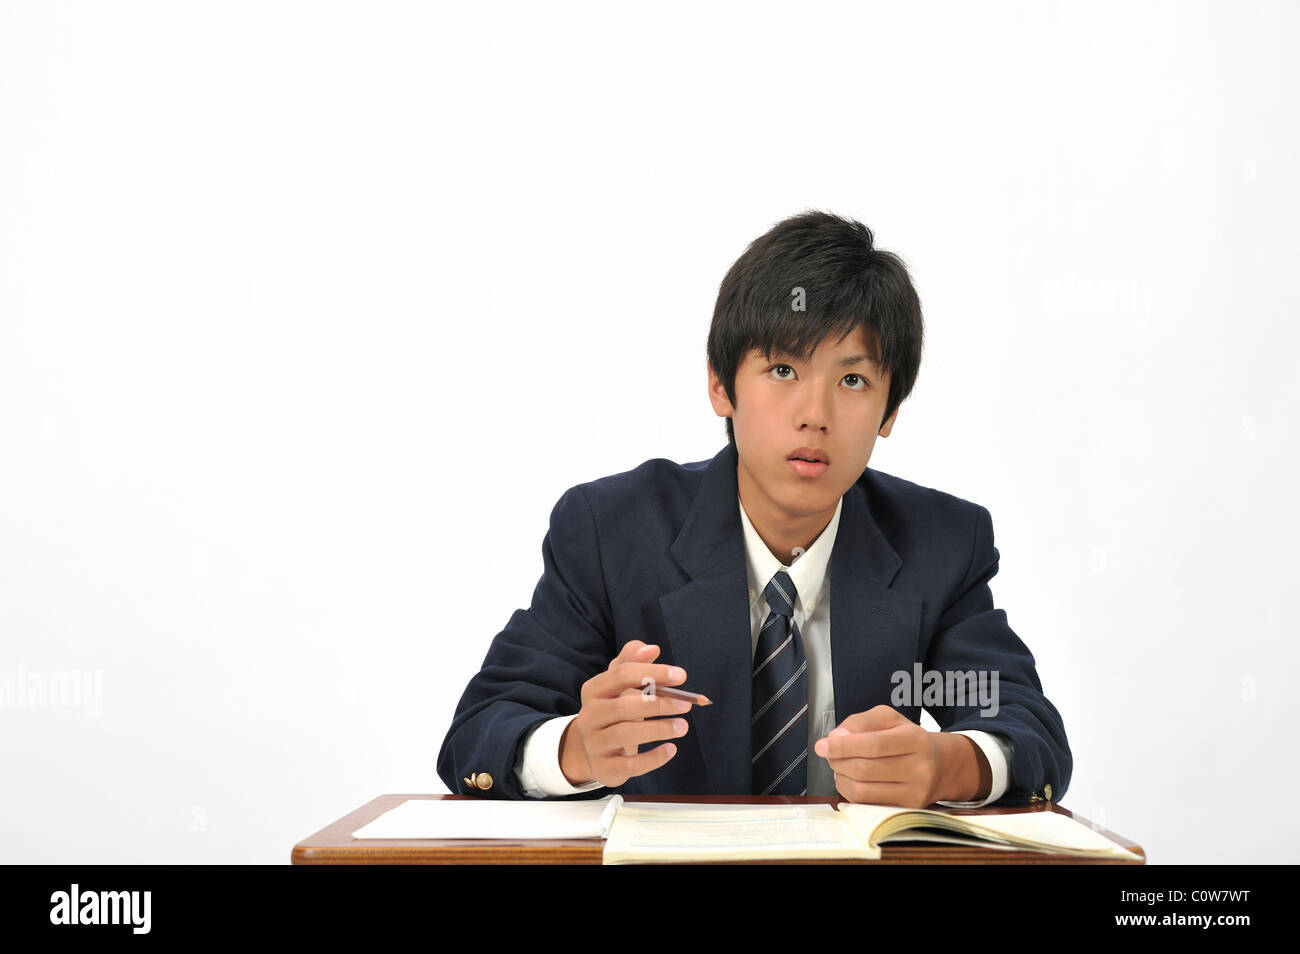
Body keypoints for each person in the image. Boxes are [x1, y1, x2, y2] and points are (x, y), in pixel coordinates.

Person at [437, 210, 1071, 806]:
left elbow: (1026, 726)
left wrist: (949, 763)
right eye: (783, 370)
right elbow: (479, 734)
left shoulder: (941, 543)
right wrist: (577, 749)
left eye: (853, 380)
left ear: (890, 412)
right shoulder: (613, 531)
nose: (815, 415)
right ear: (721, 385)